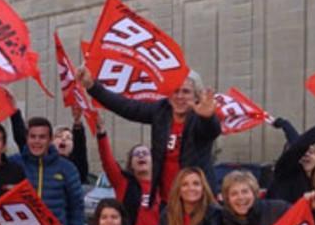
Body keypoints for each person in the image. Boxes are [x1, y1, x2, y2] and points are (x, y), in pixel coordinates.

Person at [79, 66, 220, 204]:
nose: (180, 96)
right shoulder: (161, 111)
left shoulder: (200, 118)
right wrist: (92, 87)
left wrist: (208, 117)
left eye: (186, 92)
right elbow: (127, 107)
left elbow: (212, 130)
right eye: (175, 91)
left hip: (198, 200)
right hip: (168, 202)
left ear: (196, 97)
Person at [10, 116, 86, 225]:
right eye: (32, 137)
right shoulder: (13, 164)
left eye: (42, 137)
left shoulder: (67, 168)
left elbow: (76, 211)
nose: (37, 141)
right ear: (27, 138)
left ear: (50, 140)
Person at [95, 114, 160, 225]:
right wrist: (102, 133)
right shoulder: (123, 182)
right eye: (136, 154)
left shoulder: (162, 186)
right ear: (131, 163)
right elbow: (108, 161)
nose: (141, 155)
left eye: (145, 153)